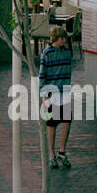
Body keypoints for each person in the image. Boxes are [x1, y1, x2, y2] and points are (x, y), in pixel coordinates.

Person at [39, 26, 75, 168]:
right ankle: (51, 155)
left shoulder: (67, 52)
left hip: (64, 93)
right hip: (52, 95)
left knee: (66, 122)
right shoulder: (47, 54)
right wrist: (44, 96)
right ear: (56, 38)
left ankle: (62, 152)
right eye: (62, 38)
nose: (64, 40)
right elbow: (42, 76)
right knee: (52, 125)